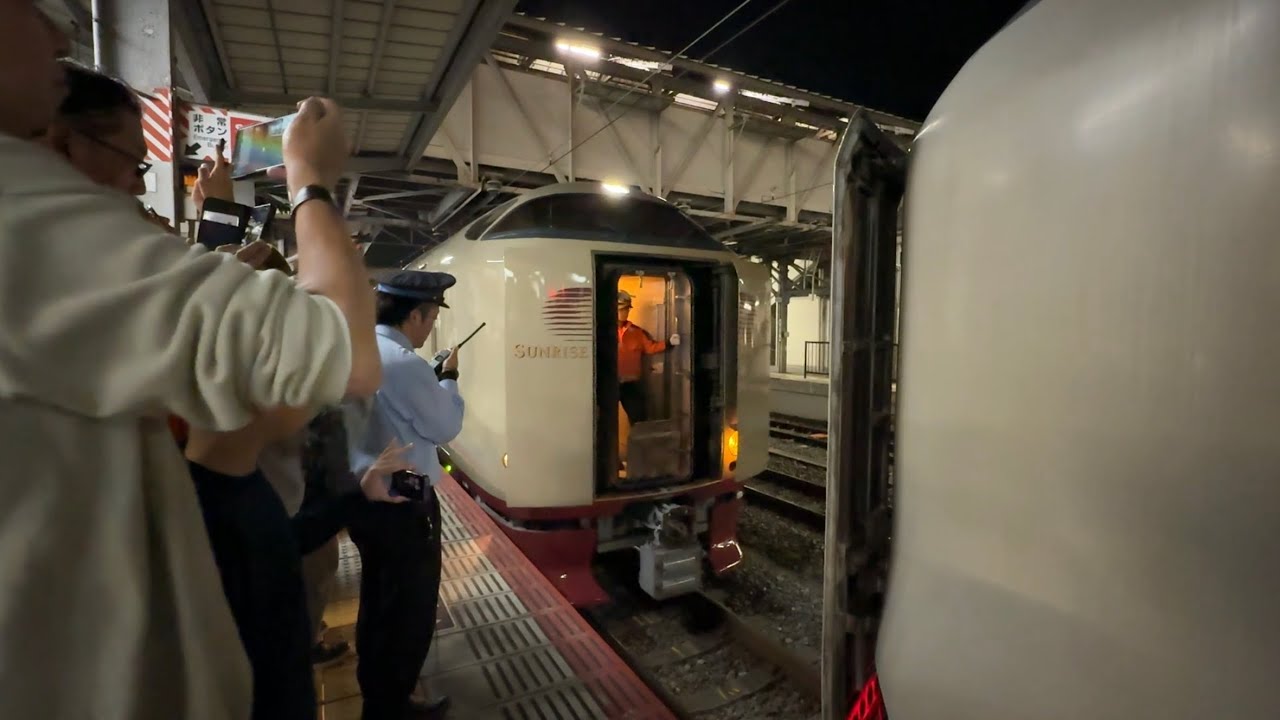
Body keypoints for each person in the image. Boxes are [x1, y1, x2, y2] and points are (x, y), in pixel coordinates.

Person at [0, 3, 381, 719]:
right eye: (130, 163)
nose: (58, 33)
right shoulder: (19, 213)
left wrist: (224, 221)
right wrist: (311, 181)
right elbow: (344, 350)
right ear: (60, 146)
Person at [346, 270, 464, 720]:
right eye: (431, 316)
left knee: (379, 599)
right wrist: (449, 381)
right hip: (404, 504)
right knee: (410, 609)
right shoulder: (403, 362)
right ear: (416, 314)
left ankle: (378, 690)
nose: (431, 325)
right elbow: (445, 426)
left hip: (366, 498)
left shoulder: (360, 349)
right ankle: (394, 704)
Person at [616, 289, 680, 425]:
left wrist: (668, 343)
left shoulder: (637, 332)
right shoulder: (602, 330)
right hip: (609, 383)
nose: (624, 312)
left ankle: (636, 444)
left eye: (626, 309)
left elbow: (650, 347)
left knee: (638, 417)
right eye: (621, 309)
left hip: (630, 384)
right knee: (604, 420)